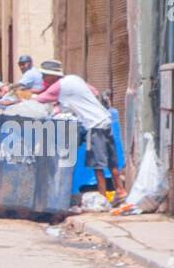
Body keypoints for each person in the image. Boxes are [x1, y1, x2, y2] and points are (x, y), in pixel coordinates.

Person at [33, 63, 127, 203]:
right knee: (112, 163)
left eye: (44, 75)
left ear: (52, 75)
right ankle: (120, 191)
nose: (42, 78)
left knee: (97, 165)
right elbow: (94, 92)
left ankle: (102, 199)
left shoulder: (60, 86)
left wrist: (19, 98)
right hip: (106, 121)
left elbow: (40, 99)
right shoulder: (74, 79)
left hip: (94, 125)